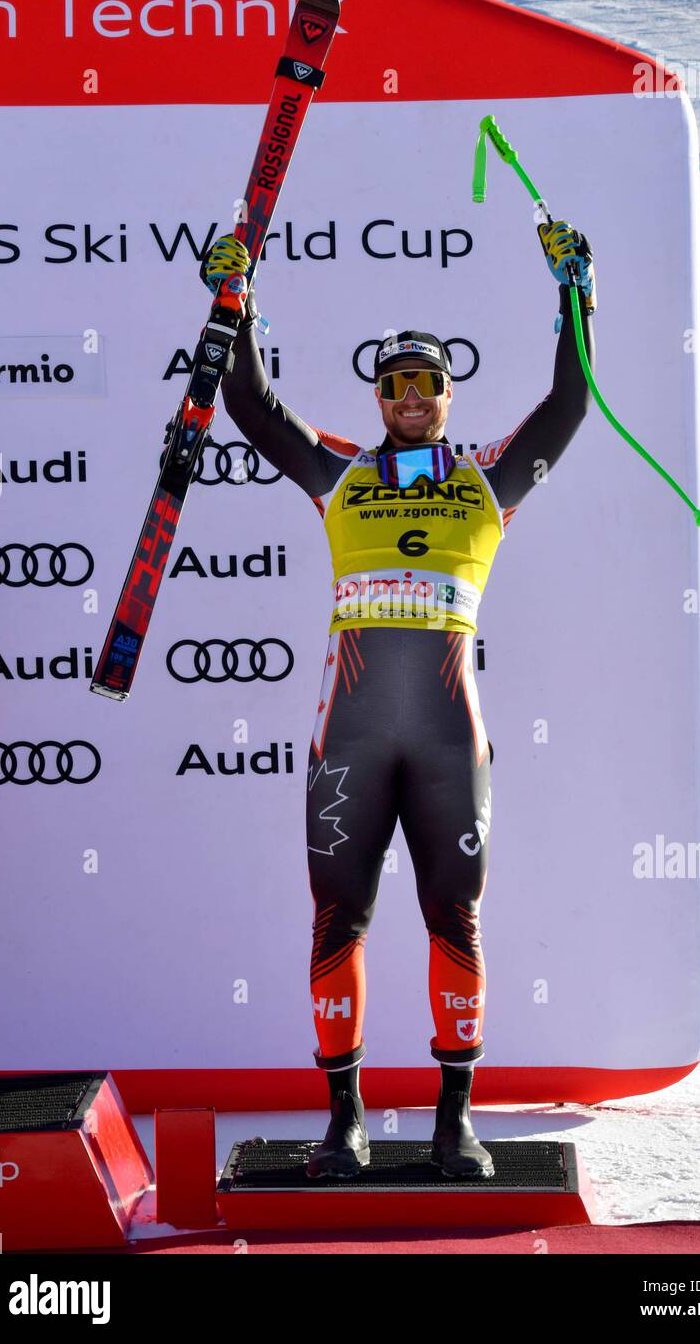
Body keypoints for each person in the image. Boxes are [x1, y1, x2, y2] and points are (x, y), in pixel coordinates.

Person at [199, 221, 596, 1179]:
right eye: (395, 385)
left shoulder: (486, 477)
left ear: (448, 395)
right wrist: (235, 297)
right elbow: (252, 406)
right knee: (338, 915)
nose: (412, 398)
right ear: (378, 398)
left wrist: (575, 290)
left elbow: (570, 402)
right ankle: (346, 1121)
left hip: (449, 740)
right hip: (354, 739)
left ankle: (455, 1120)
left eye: (427, 384)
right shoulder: (340, 473)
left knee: (453, 915)